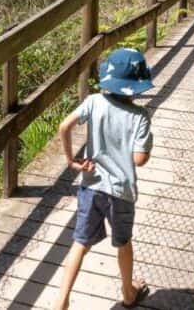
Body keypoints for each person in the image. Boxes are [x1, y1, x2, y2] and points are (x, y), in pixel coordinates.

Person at [53, 47, 155, 309]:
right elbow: (139, 160)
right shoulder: (141, 117)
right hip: (121, 193)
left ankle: (61, 301)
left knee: (80, 243)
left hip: (91, 186)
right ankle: (129, 293)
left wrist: (71, 161)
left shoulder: (94, 102)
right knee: (123, 243)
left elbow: (64, 126)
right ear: (138, 84)